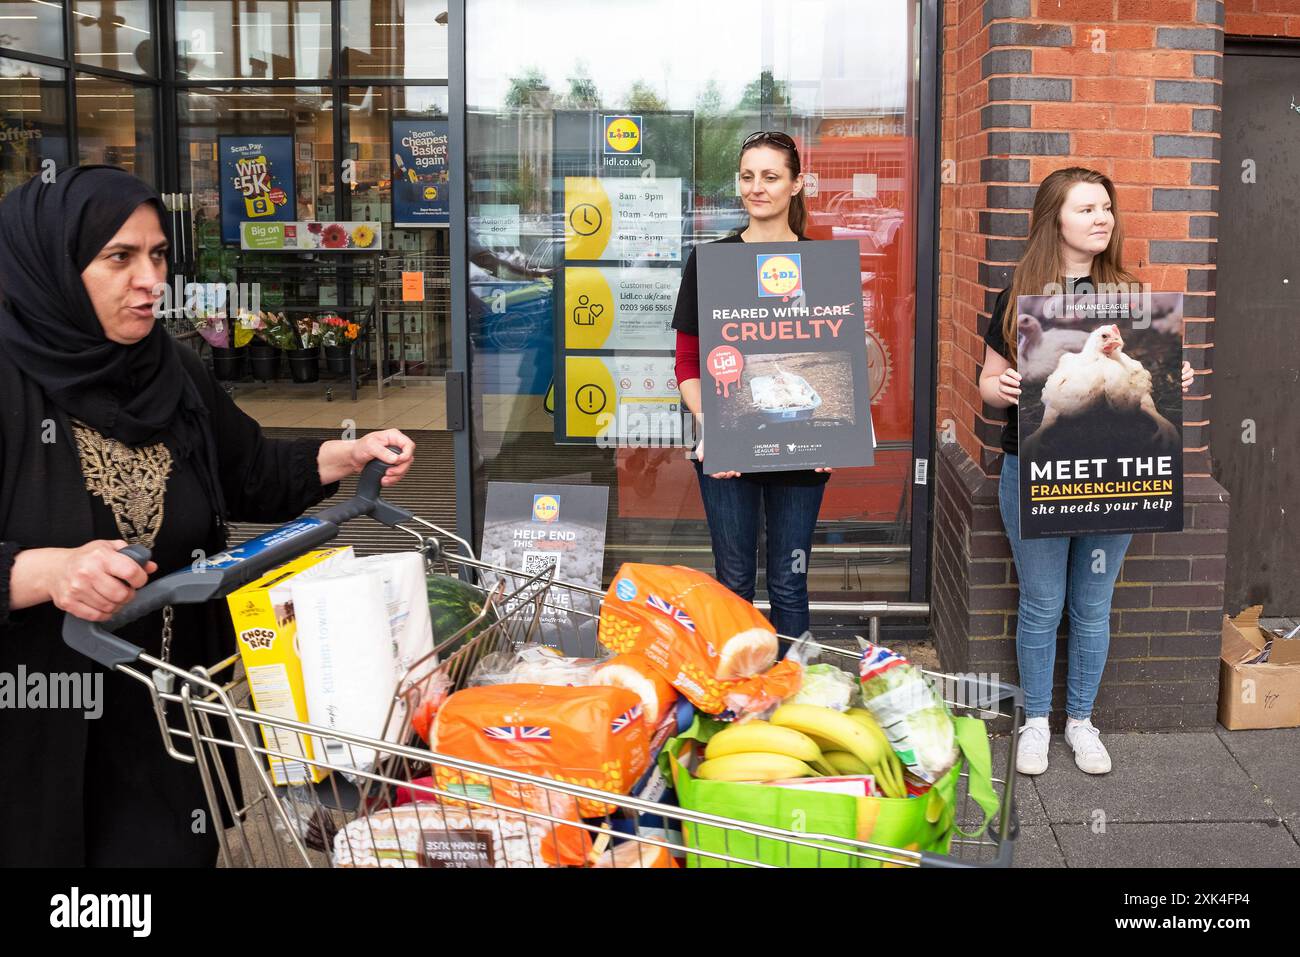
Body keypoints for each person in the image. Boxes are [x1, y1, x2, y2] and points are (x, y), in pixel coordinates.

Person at [0, 166, 416, 866]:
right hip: (37, 732)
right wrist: (49, 571)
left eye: (158, 254)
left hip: (167, 719)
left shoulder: (170, 370)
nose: (150, 280)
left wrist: (347, 454)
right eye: (119, 258)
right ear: (53, 266)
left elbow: (248, 471)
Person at [977, 166, 1195, 776]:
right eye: (1087, 209)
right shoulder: (1018, 297)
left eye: (1106, 208)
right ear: (1055, 220)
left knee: (1093, 605)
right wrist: (1004, 386)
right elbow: (987, 385)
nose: (1102, 219)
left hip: (1113, 470)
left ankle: (1081, 721)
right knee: (1042, 604)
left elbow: (1141, 381)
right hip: (1037, 470)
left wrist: (1174, 377)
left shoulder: (1130, 297)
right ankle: (1036, 722)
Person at [671, 131, 832, 638]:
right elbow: (687, 364)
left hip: (800, 447)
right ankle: (738, 683)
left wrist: (836, 434)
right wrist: (713, 427)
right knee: (733, 582)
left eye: (770, 176)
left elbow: (840, 356)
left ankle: (791, 683)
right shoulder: (710, 262)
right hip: (729, 448)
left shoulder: (822, 266)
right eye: (747, 176)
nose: (756, 187)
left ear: (796, 184)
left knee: (790, 583)